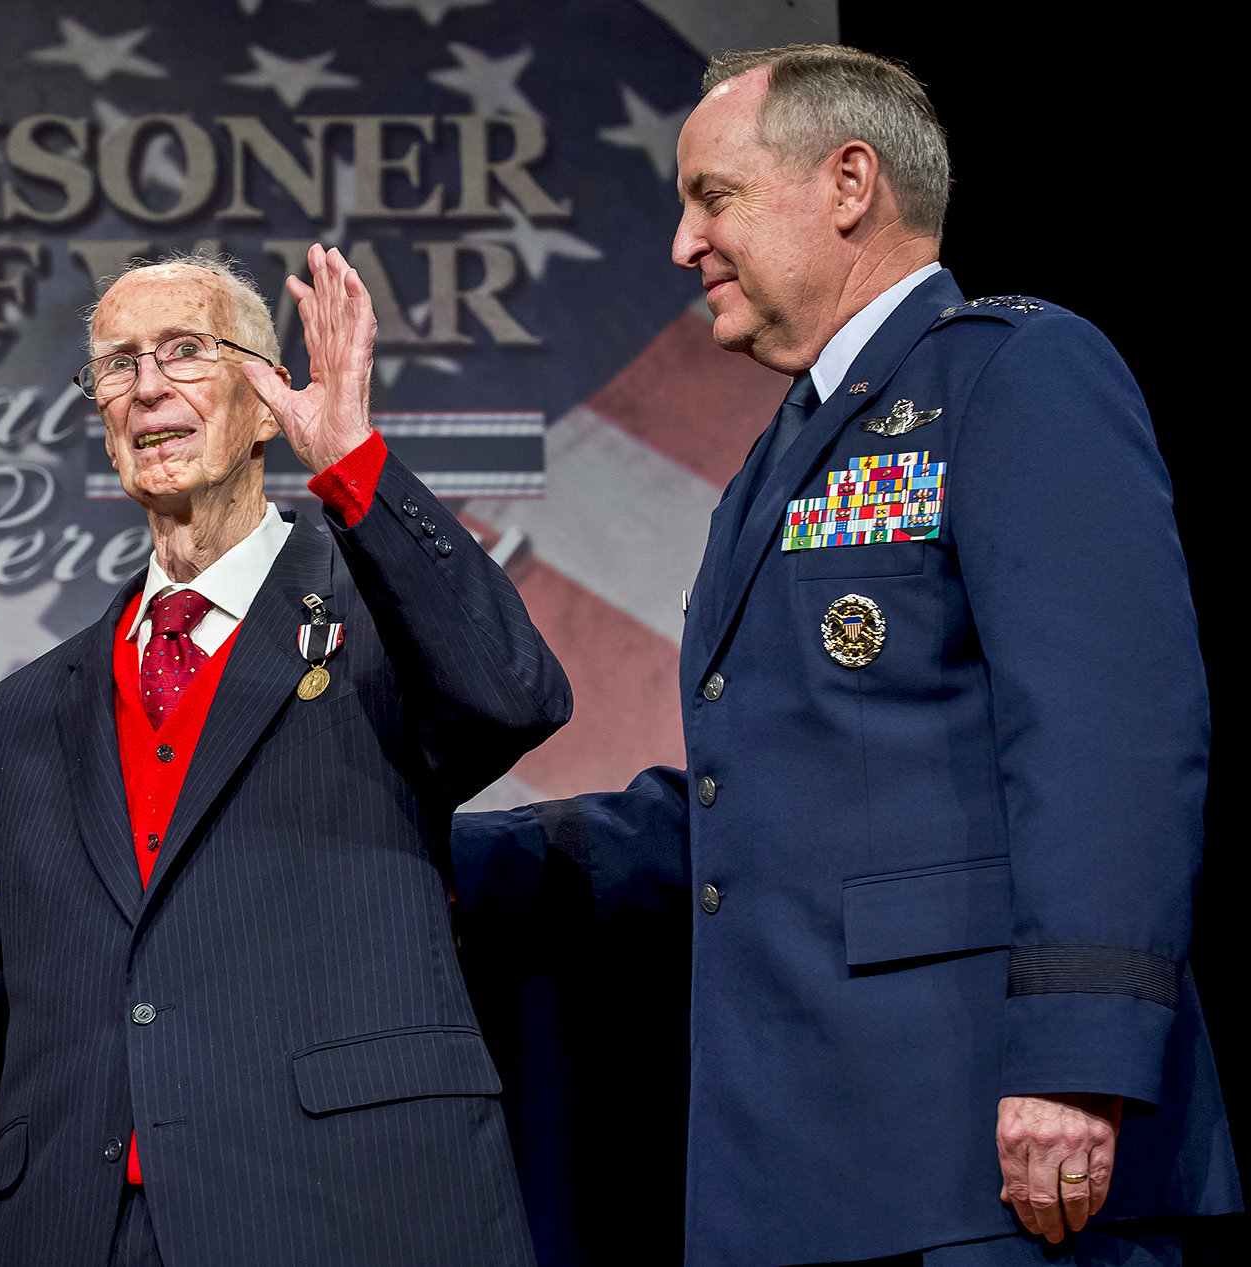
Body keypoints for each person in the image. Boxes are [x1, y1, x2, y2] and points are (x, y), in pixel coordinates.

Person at [456, 43, 1240, 1266]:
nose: (680, 243)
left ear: (847, 182)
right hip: (807, 1172)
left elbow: (1108, 743)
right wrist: (448, 855)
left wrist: (1076, 1065)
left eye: (711, 195)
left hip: (994, 1163)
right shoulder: (783, 456)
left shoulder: (1011, 373)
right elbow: (757, 809)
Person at [0, 244, 571, 1265]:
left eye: (184, 351)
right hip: (83, 1223)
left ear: (262, 395)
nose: (145, 386)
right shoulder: (31, 710)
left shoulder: (378, 627)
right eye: (115, 363)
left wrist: (352, 460)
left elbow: (515, 693)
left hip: (348, 1205)